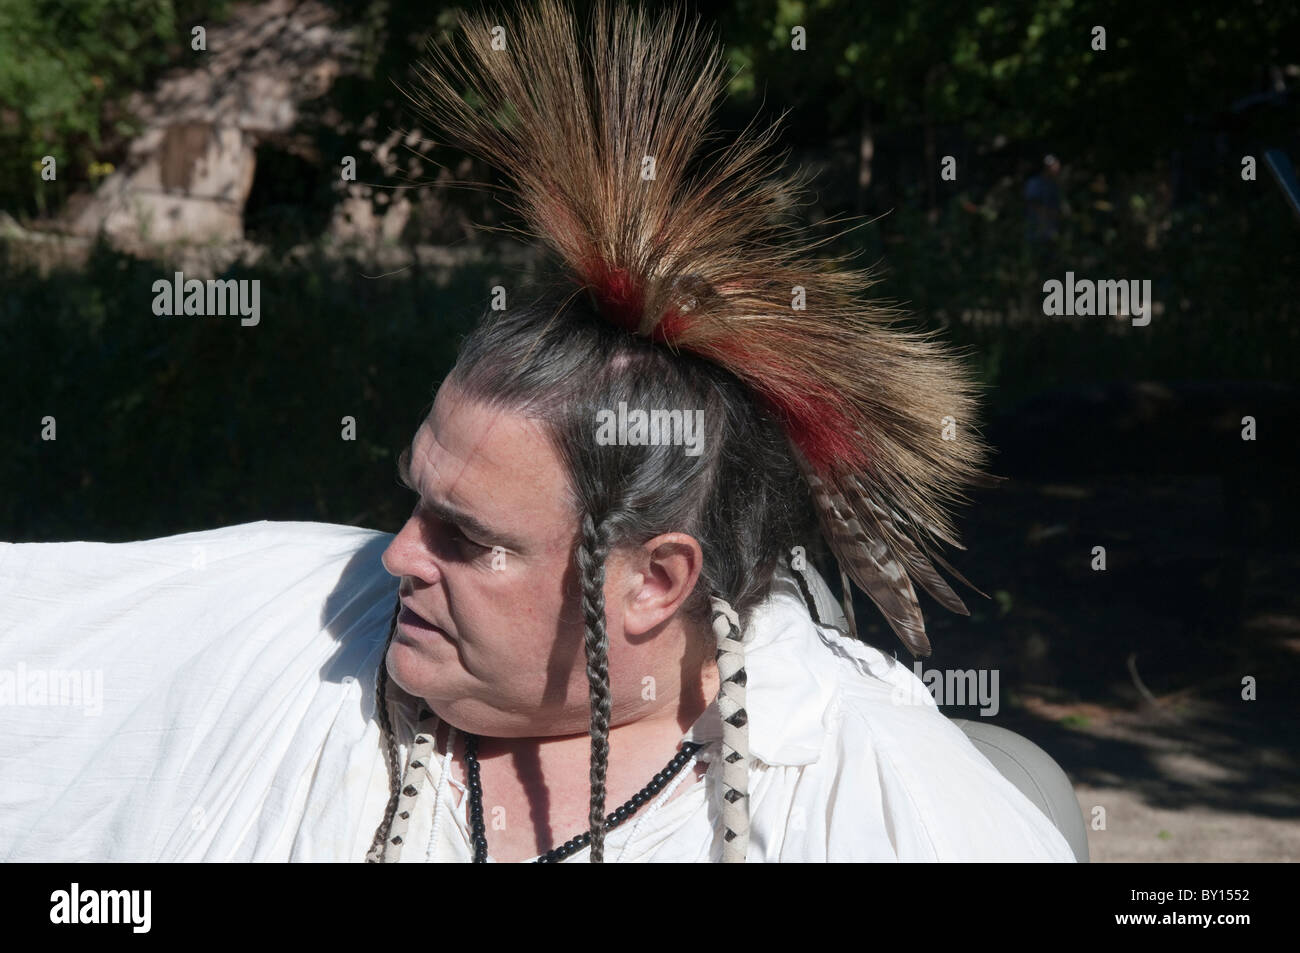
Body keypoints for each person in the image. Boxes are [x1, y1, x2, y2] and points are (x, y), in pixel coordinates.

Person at [0, 0, 1076, 863]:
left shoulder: (880, 809)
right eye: (415, 499)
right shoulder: (289, 609)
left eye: (470, 537)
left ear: (655, 579)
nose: (394, 555)